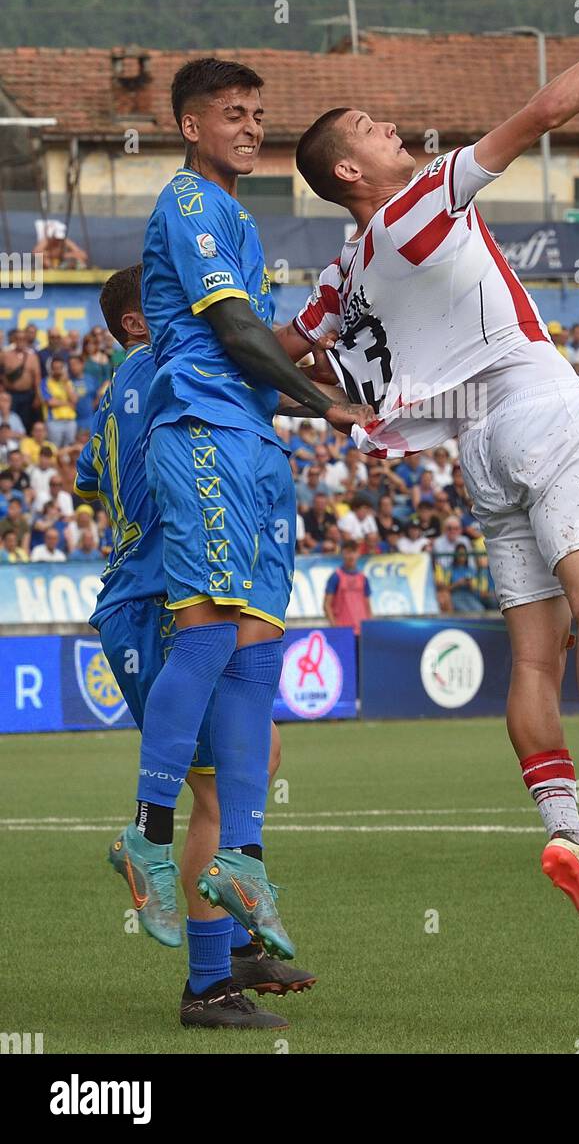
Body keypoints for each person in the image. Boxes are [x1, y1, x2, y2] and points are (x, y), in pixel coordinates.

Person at [287, 0, 579, 951]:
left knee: (534, 653)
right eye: (371, 131)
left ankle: (563, 830)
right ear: (351, 174)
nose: (393, 130)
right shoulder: (419, 202)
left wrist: (182, 338)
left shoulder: (344, 268)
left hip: (475, 452)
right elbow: (539, 115)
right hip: (533, 404)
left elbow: (288, 350)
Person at [108, 59, 369, 969]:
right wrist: (325, 402)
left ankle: (246, 861)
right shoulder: (188, 204)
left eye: (260, 114)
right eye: (233, 113)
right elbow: (235, 338)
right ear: (189, 127)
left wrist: (331, 393)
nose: (253, 126)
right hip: (206, 436)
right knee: (212, 632)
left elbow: (264, 356)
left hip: (252, 444)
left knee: (260, 651)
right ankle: (144, 833)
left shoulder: (239, 217)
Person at [77, 267, 314, 1027]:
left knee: (260, 754)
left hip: (146, 592)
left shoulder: (125, 387)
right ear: (138, 325)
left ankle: (233, 939)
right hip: (165, 603)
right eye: (167, 302)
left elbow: (90, 477)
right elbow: (270, 376)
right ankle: (210, 985)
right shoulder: (175, 371)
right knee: (213, 794)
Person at [323, 540, 372, 634]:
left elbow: (367, 606)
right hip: (343, 630)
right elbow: (326, 605)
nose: (351, 556)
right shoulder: (336, 577)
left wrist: (369, 627)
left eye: (354, 552)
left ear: (358, 554)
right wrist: (335, 627)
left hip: (361, 630)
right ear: (343, 554)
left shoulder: (363, 578)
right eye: (348, 552)